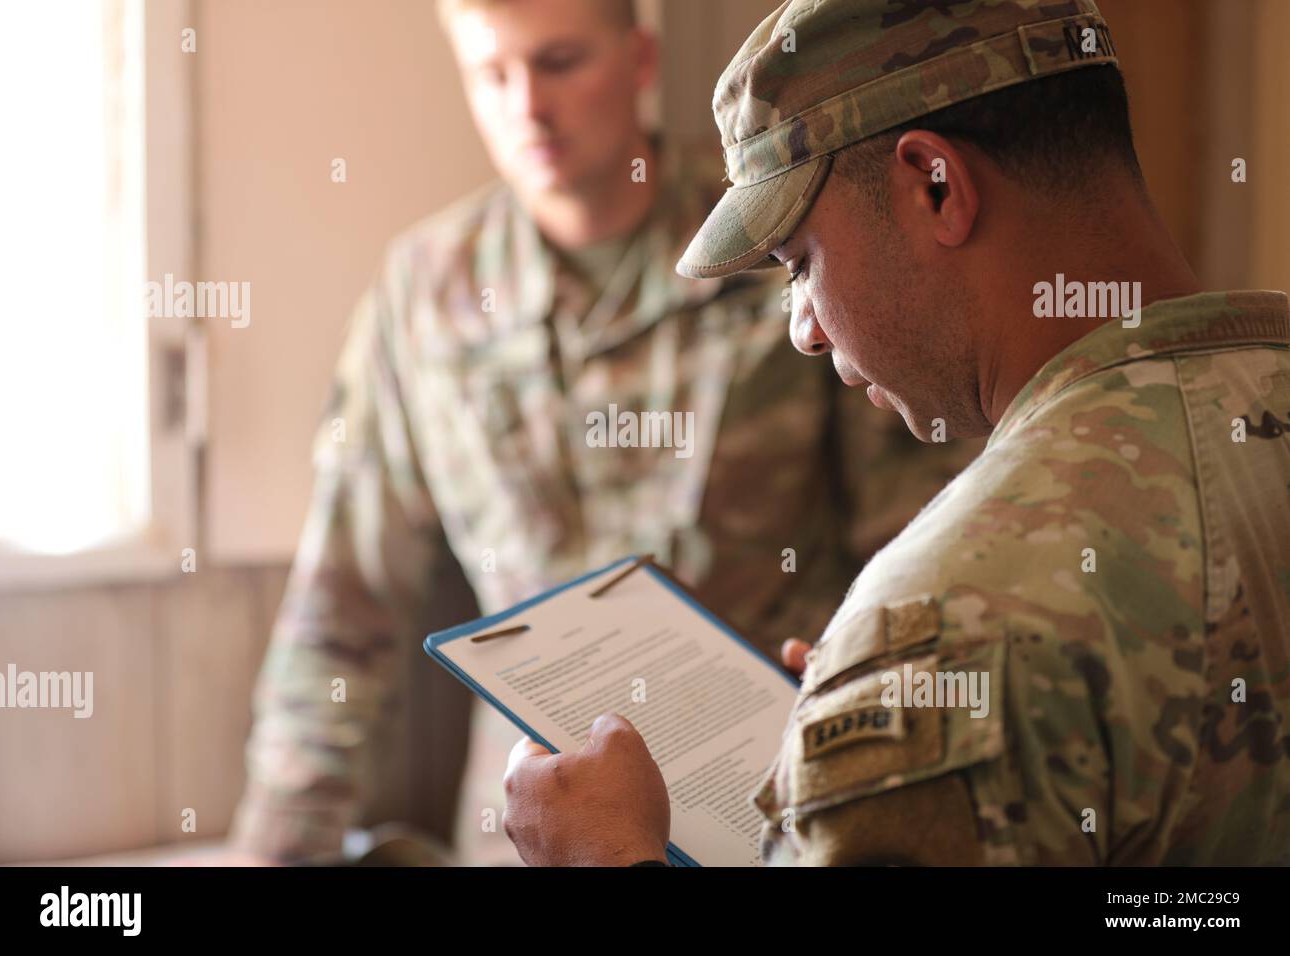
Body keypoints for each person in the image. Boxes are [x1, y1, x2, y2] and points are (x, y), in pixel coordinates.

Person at [501, 0, 1290, 866]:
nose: (803, 327)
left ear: (935, 186)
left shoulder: (945, 629)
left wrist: (608, 855)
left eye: (800, 262)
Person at [228, 0, 981, 864]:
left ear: (639, 61)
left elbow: (915, 550)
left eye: (558, 63)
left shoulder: (775, 244)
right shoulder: (426, 295)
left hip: (762, 816)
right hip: (524, 828)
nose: (528, 108)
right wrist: (273, 852)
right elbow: (341, 612)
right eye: (493, 74)